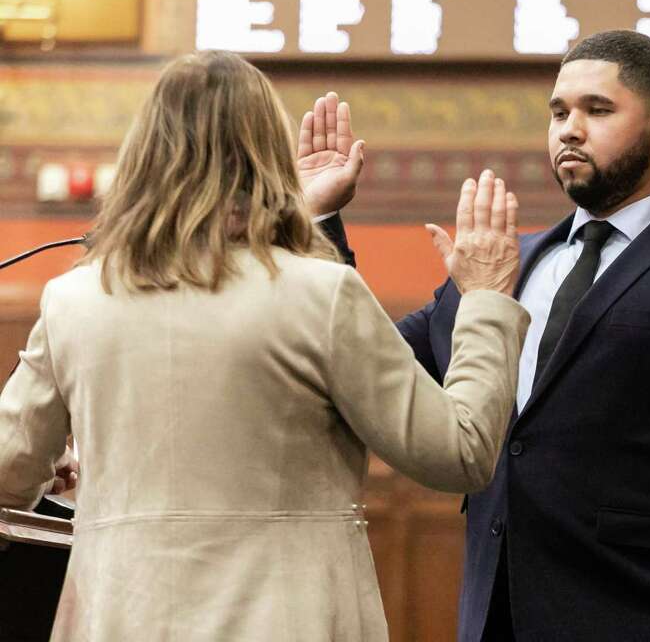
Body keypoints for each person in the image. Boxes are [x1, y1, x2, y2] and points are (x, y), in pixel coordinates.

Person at [0, 50, 530, 641]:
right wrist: (484, 300)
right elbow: (458, 453)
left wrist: (60, 469)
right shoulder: (319, 294)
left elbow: (7, 473)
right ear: (267, 156)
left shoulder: (73, 299)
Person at [317, 30, 650, 641]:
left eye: (597, 110)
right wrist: (321, 223)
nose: (570, 129)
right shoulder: (497, 267)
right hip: (496, 619)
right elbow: (365, 364)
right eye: (558, 112)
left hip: (644, 621)